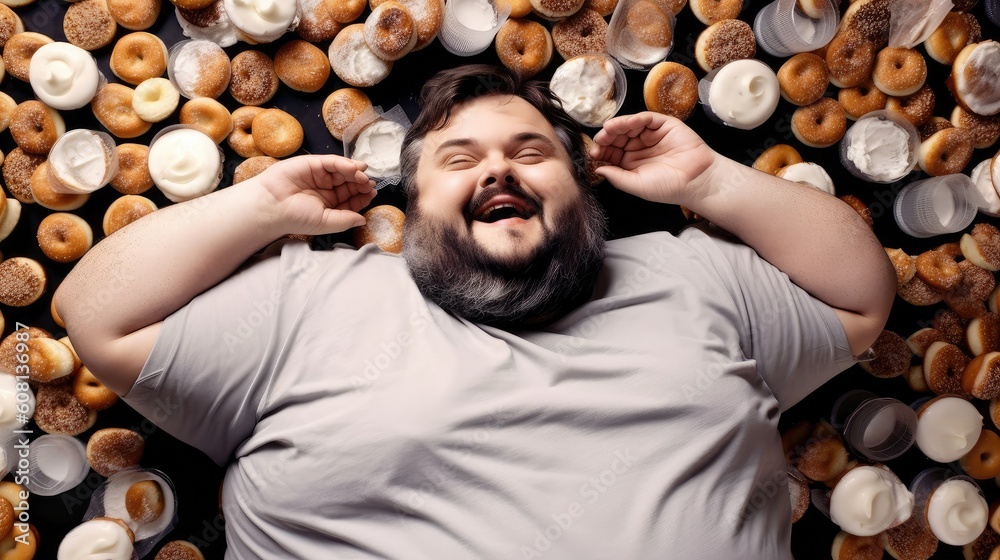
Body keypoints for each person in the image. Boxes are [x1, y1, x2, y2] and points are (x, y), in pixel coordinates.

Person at [56, 65, 895, 559]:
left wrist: (710, 183)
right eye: (459, 160)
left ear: (582, 189)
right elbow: (96, 312)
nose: (499, 170)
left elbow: (861, 298)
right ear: (414, 206)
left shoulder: (693, 275)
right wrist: (262, 207)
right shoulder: (307, 299)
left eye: (531, 151)